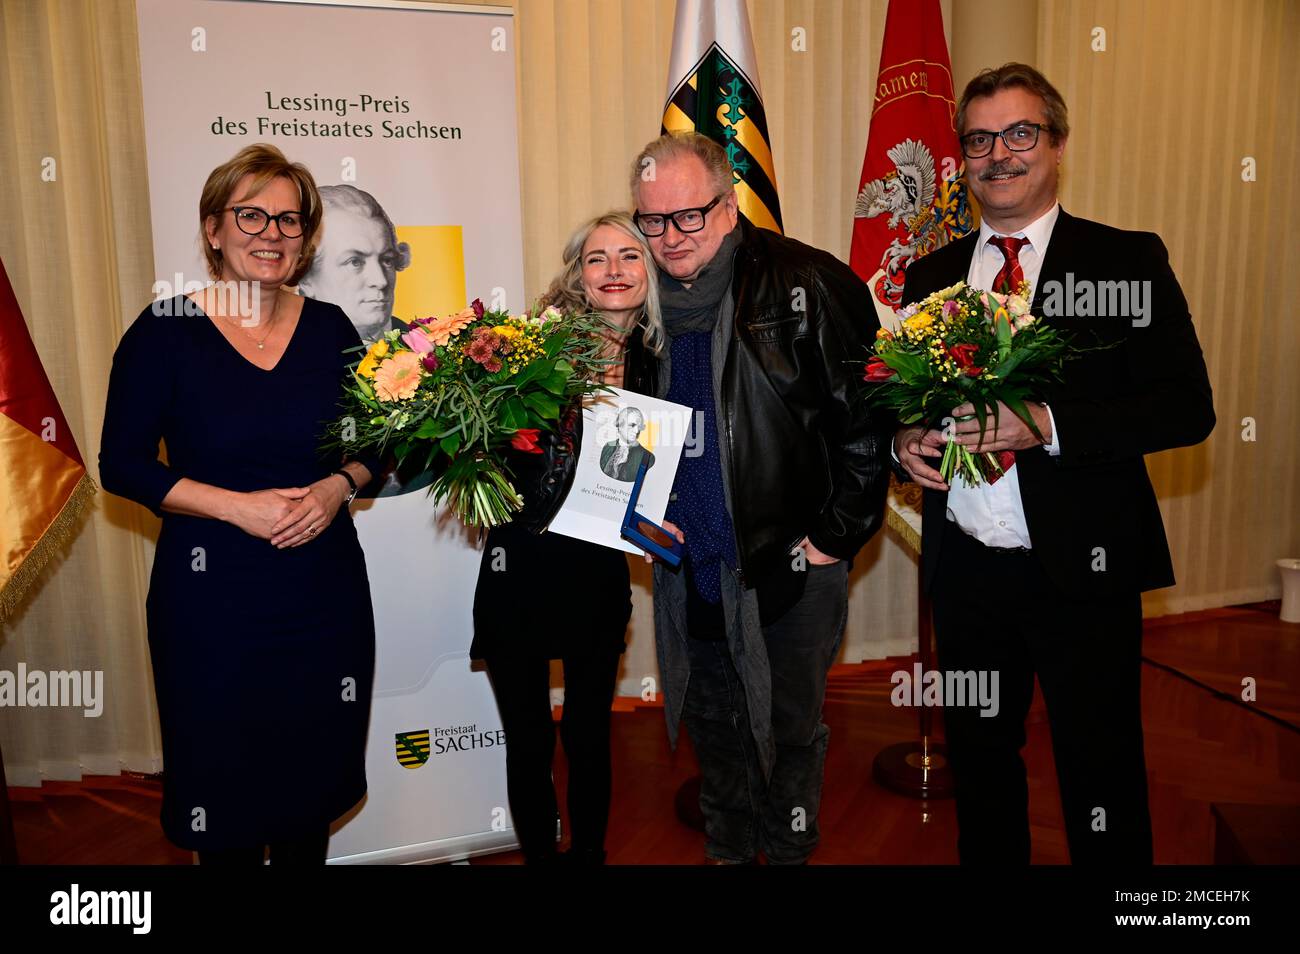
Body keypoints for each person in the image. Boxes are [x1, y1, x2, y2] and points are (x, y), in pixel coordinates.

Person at [893, 63, 1215, 864]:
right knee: (981, 763)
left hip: (1084, 571)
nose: (999, 154)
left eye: (1019, 133)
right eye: (979, 139)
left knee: (1100, 768)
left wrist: (1047, 423)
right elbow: (898, 399)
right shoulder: (928, 276)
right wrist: (903, 441)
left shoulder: (1125, 262)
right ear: (962, 155)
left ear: (1057, 143)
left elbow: (1187, 408)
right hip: (966, 577)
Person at [99, 144, 378, 865]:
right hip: (210, 600)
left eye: (290, 220)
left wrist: (335, 486)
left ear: (307, 237)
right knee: (224, 801)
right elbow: (121, 466)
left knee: (306, 796)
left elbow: (380, 446)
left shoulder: (330, 331)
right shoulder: (163, 331)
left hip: (323, 596)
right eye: (250, 214)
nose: (272, 233)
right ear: (213, 229)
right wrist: (236, 508)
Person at [625, 131, 889, 865]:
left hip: (791, 567)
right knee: (717, 730)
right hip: (691, 568)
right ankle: (730, 853)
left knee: (791, 732)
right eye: (652, 219)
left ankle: (790, 852)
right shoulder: (631, 304)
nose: (669, 237)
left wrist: (837, 535)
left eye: (689, 216)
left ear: (730, 206)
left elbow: (868, 418)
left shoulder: (808, 282)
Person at [470, 211, 665, 864]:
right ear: (577, 275)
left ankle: (589, 860)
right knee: (527, 741)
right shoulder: (532, 349)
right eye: (596, 258)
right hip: (520, 566)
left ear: (650, 269)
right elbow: (486, 448)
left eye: (629, 256)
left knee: (587, 738)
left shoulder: (664, 360)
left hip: (597, 573)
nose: (613, 271)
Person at [298, 184, 411, 343]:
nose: (380, 281)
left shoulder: (430, 353)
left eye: (387, 260)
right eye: (355, 262)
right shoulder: (278, 354)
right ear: (305, 277)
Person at [598, 406, 656, 482]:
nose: (636, 431)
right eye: (632, 425)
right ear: (620, 424)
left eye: (639, 426)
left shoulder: (648, 457)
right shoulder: (607, 447)